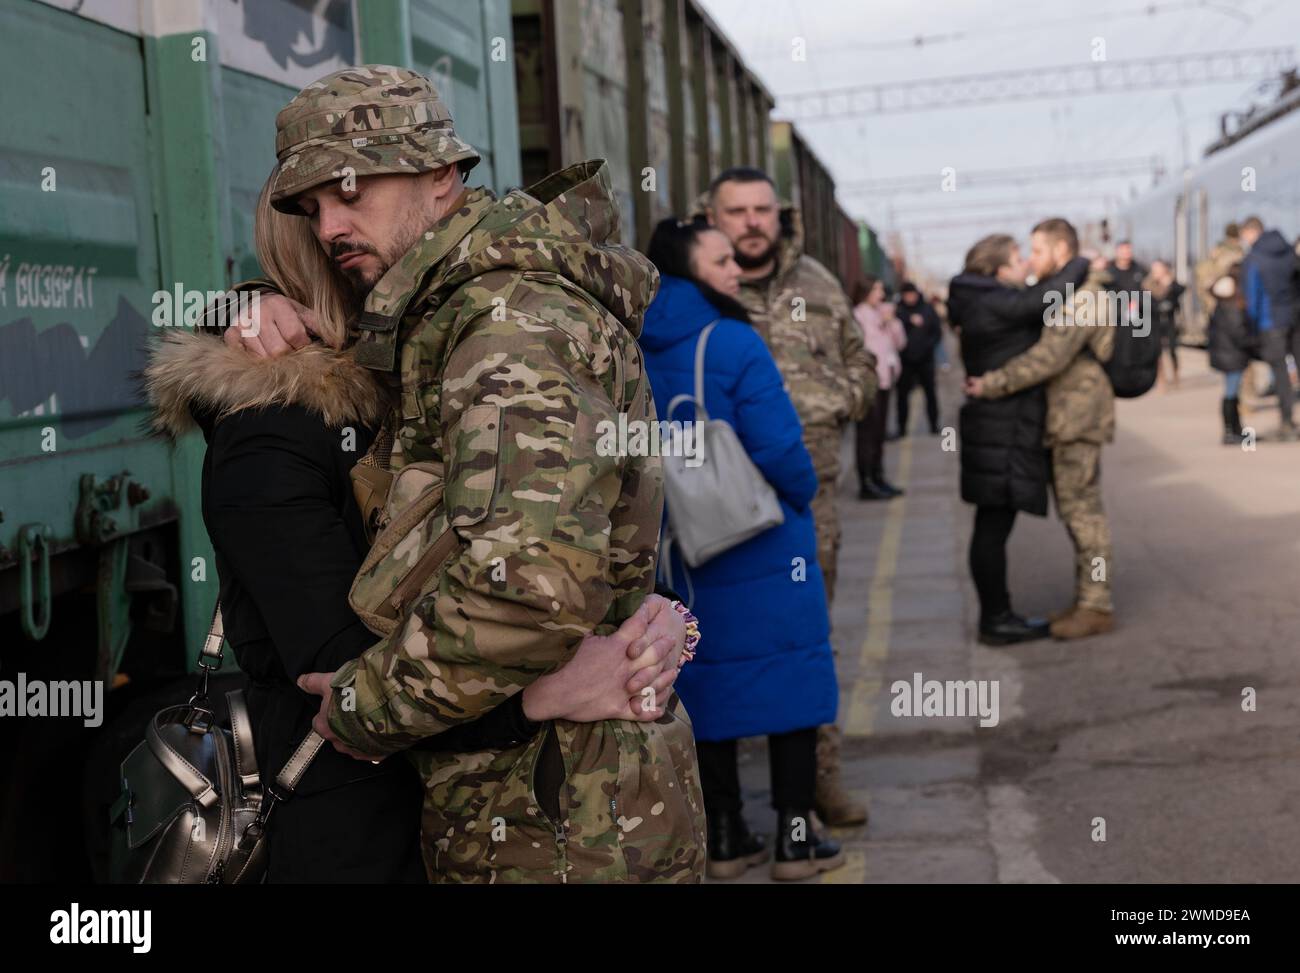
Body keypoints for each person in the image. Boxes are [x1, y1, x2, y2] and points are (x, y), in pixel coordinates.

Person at [206, 65, 705, 883]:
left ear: (442, 176)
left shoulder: (503, 322)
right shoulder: (437, 323)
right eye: (311, 209)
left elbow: (530, 587)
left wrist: (363, 708)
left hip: (556, 823)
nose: (332, 224)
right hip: (542, 800)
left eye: (351, 190)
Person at [640, 218, 843, 881]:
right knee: (791, 678)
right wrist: (805, 492)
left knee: (710, 683)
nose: (736, 269)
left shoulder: (633, 342)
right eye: (721, 259)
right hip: (763, 536)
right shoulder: (731, 339)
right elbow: (782, 447)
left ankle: (725, 835)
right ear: (690, 268)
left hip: (682, 546)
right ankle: (793, 837)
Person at [696, 167, 873, 827]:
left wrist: (825, 405)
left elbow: (863, 366)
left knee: (807, 641)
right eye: (736, 210)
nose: (750, 222)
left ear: (780, 214)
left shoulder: (817, 285)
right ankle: (721, 809)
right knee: (715, 645)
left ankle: (816, 784)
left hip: (806, 502)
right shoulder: (693, 286)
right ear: (713, 215)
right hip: (708, 507)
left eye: (761, 209)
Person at [965, 218, 1116, 641]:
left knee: (1084, 515)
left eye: (1037, 251)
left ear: (1061, 250)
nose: (1031, 260)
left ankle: (1096, 604)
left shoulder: (1084, 298)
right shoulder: (1070, 292)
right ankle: (1086, 598)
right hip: (1067, 413)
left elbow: (1050, 356)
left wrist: (992, 383)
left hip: (1078, 416)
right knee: (1077, 512)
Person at [1240, 215, 1300, 441]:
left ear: (1251, 232)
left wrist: (1251, 327)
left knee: (1281, 374)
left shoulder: (1254, 259)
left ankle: (1287, 422)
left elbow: (1252, 297)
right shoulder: (1288, 251)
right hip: (1295, 318)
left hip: (1270, 322)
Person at [852, 276, 906, 500]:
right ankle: (866, 481)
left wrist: (891, 322)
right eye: (876, 290)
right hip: (868, 381)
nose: (881, 295)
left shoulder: (882, 313)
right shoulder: (858, 315)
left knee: (879, 433)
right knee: (867, 433)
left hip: (885, 379)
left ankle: (878, 475)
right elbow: (862, 347)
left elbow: (900, 343)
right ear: (865, 291)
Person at [1206, 263, 1255, 445]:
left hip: (1225, 353)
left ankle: (1235, 429)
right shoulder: (1233, 304)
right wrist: (1254, 345)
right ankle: (1230, 431)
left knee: (1232, 392)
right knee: (1231, 392)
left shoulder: (1222, 301)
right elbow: (1239, 333)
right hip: (1232, 354)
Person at [895, 282, 944, 436]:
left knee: (930, 394)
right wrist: (908, 320)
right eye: (907, 295)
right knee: (902, 396)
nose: (910, 298)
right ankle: (902, 428)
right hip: (905, 360)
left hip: (926, 359)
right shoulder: (899, 311)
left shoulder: (927, 309)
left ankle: (934, 425)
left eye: (912, 294)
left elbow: (937, 331)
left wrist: (928, 346)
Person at [1146, 259, 1184, 391]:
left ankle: (1175, 375)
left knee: (1172, 350)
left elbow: (1181, 290)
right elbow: (1144, 300)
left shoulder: (1171, 281)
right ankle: (1160, 379)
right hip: (1154, 321)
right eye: (1155, 269)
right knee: (1158, 352)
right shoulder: (1147, 284)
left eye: (1159, 268)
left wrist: (1170, 284)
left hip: (1170, 320)